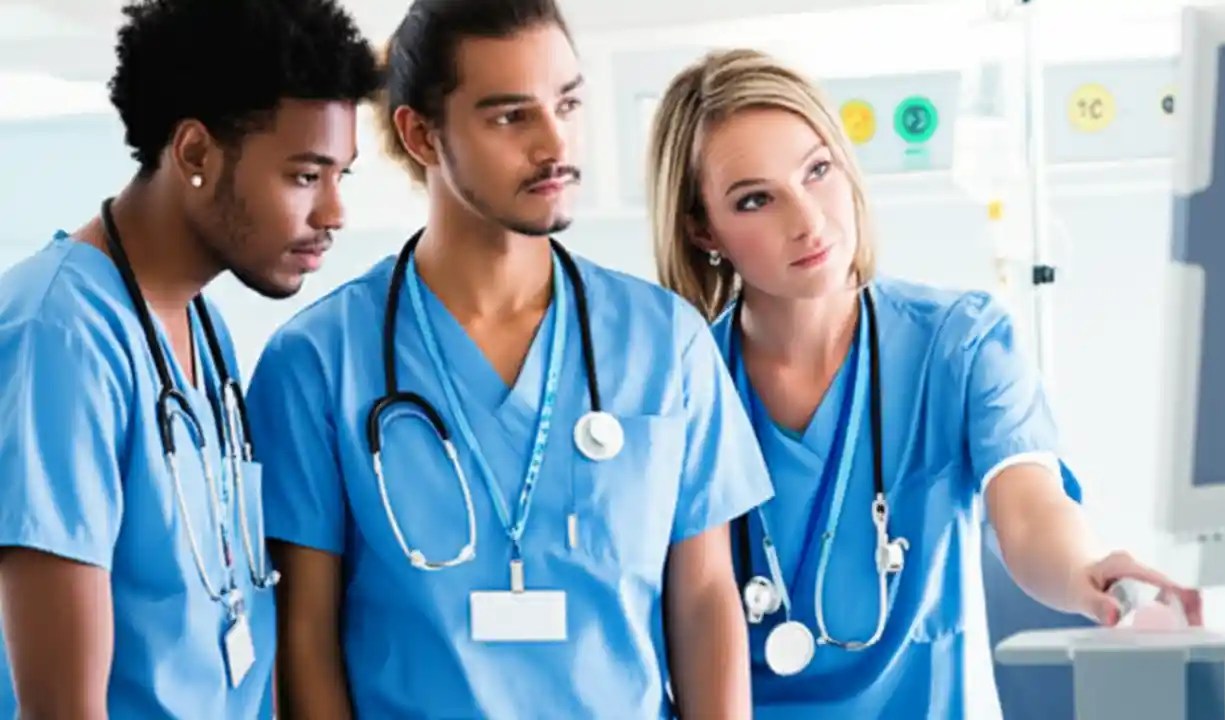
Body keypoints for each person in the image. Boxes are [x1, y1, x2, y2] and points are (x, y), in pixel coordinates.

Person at [243, 1, 773, 718]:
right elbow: (306, 638)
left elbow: (705, 597)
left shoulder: (665, 343)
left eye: (568, 104)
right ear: (422, 135)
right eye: (511, 117)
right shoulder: (317, 362)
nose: (555, 143)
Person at [647, 47, 1204, 718]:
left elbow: (1031, 511)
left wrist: (1089, 573)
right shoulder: (679, 385)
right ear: (703, 231)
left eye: (818, 170)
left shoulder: (959, 344)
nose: (808, 220)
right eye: (756, 199)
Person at [0, 1, 381, 717]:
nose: (334, 214)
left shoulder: (204, 329)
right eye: (306, 176)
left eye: (342, 177)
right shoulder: (61, 336)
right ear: (196, 153)